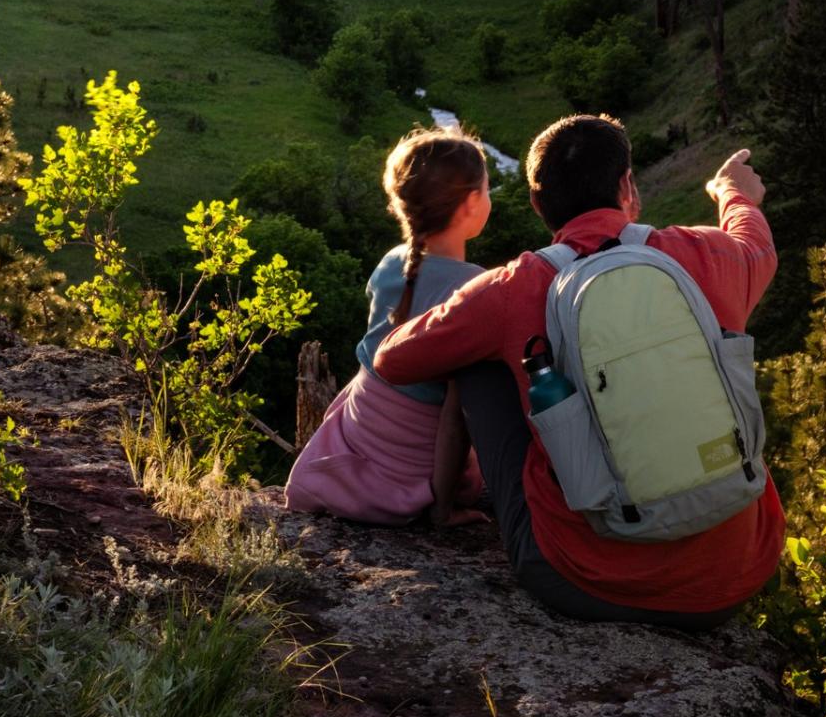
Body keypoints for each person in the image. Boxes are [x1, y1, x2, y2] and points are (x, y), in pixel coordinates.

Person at [375, 114, 785, 627]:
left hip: (581, 577)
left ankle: (453, 503)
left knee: (479, 364)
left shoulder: (512, 288)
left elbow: (393, 359)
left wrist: (473, 311)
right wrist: (732, 193)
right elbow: (756, 244)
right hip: (735, 576)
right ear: (627, 186)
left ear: (536, 204)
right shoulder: (705, 256)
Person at [285, 126, 492, 526]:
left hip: (363, 430)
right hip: (414, 465)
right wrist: (443, 508)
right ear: (469, 203)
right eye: (486, 189)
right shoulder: (475, 289)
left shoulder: (391, 262)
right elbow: (456, 417)